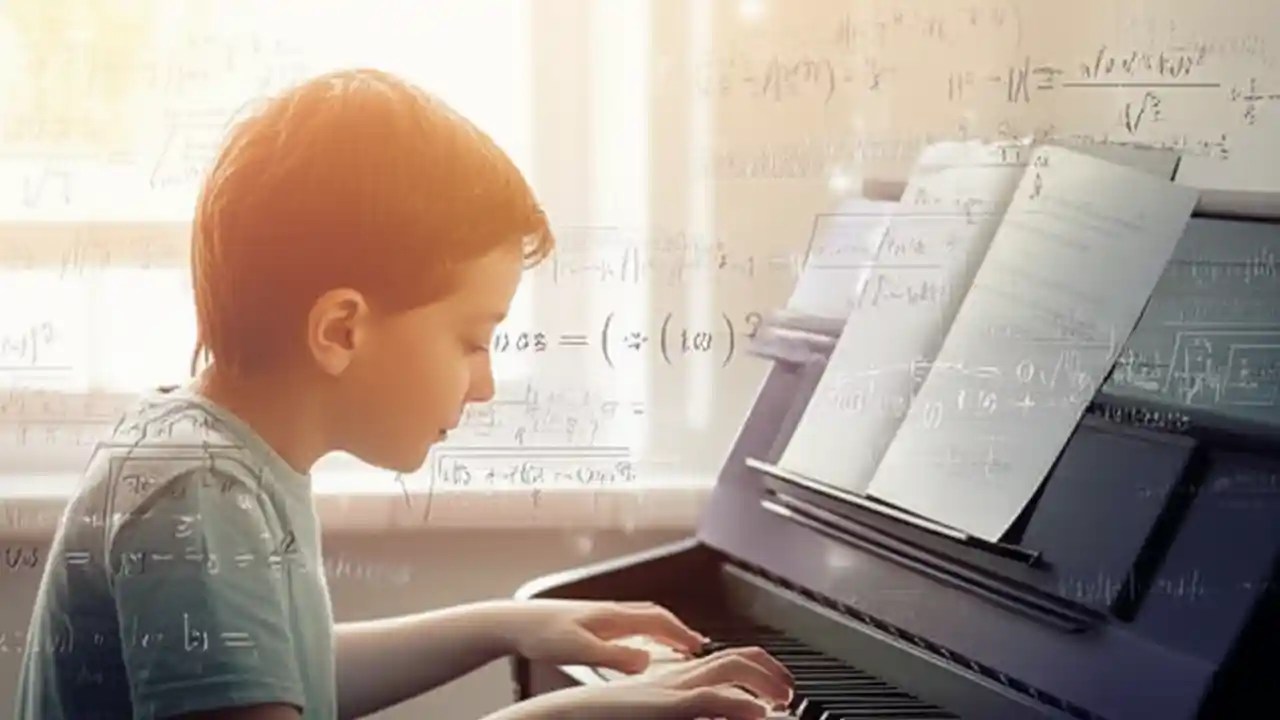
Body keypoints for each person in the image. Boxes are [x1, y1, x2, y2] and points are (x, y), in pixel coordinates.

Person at [13, 68, 794, 720]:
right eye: (472, 340)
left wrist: (509, 625)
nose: (485, 385)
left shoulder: (209, 454)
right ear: (342, 330)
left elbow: (291, 669)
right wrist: (577, 710)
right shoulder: (200, 496)